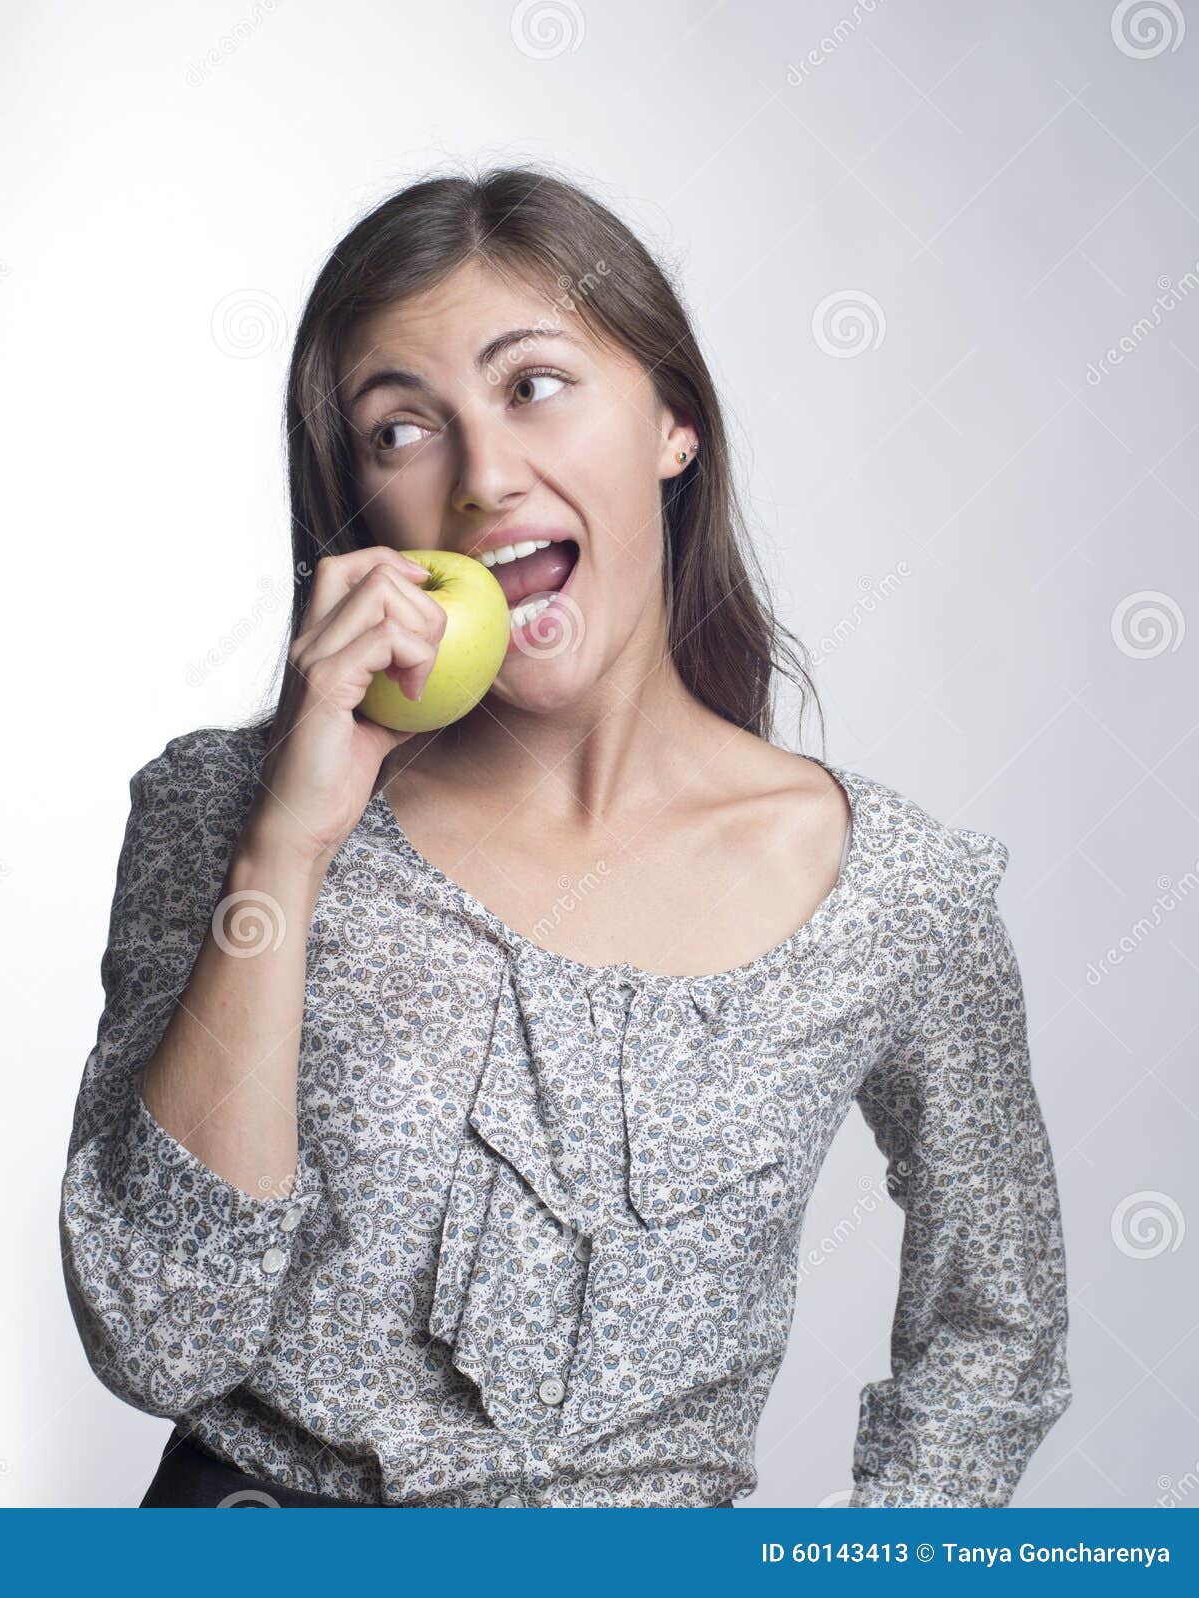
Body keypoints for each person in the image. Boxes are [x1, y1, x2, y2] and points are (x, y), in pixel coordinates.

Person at [58, 165, 1073, 1508]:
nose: (483, 477)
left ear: (673, 425)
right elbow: (158, 1338)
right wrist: (287, 847)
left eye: (533, 385)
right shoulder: (227, 809)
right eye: (401, 430)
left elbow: (995, 1329)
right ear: (361, 506)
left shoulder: (892, 893)